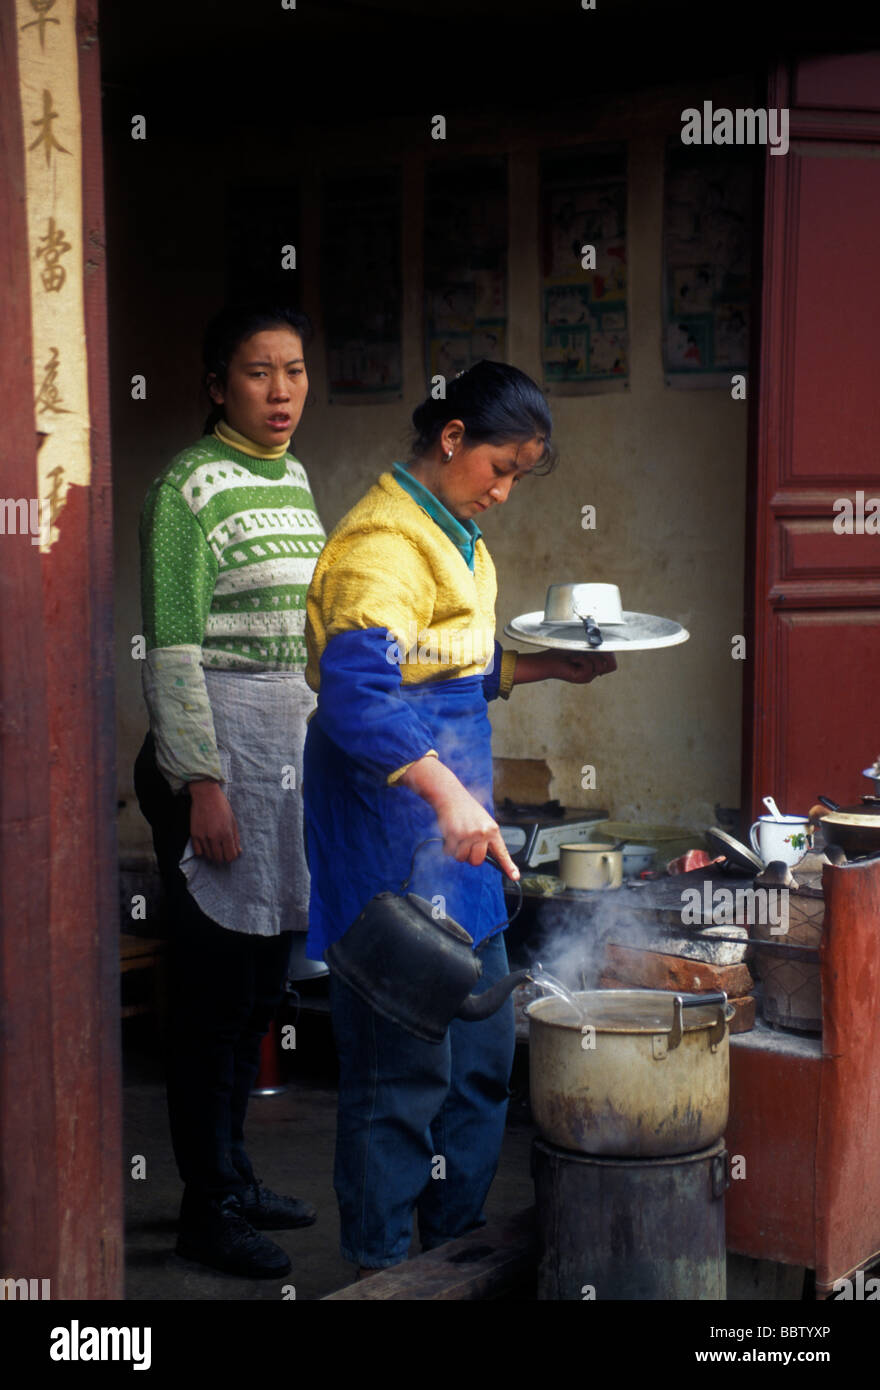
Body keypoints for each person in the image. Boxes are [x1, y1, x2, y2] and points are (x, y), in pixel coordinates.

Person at [303, 360, 616, 1274]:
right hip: (389, 838)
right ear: (452, 441)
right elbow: (359, 699)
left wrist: (554, 668)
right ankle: (379, 1273)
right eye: (500, 468)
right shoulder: (380, 545)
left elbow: (455, 668)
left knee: (479, 1061)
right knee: (398, 1078)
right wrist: (445, 796)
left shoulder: (461, 538)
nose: (507, 491)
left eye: (520, 473)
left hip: (460, 847)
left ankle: (455, 1258)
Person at [134, 303, 325, 1278]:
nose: (282, 390)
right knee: (212, 1001)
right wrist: (202, 783)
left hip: (280, 757)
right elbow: (172, 654)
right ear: (218, 385)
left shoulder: (290, 476)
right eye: (258, 372)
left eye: (293, 370)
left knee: (258, 988)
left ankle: (238, 1175)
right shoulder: (187, 488)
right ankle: (208, 1209)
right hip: (218, 758)